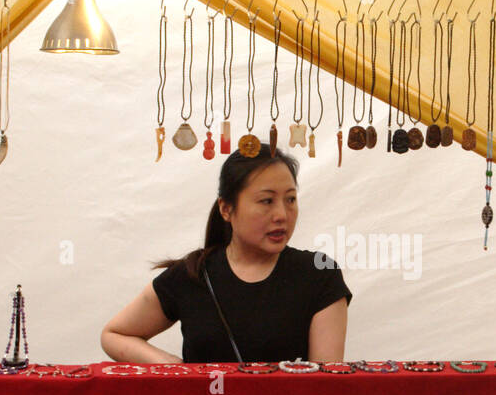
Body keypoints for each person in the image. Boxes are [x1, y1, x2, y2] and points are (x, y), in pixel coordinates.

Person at [101, 150, 351, 364]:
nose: (282, 215)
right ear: (226, 209)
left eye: (290, 199)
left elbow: (324, 383)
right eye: (266, 201)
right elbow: (115, 334)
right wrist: (177, 369)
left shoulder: (320, 275)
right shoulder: (192, 274)